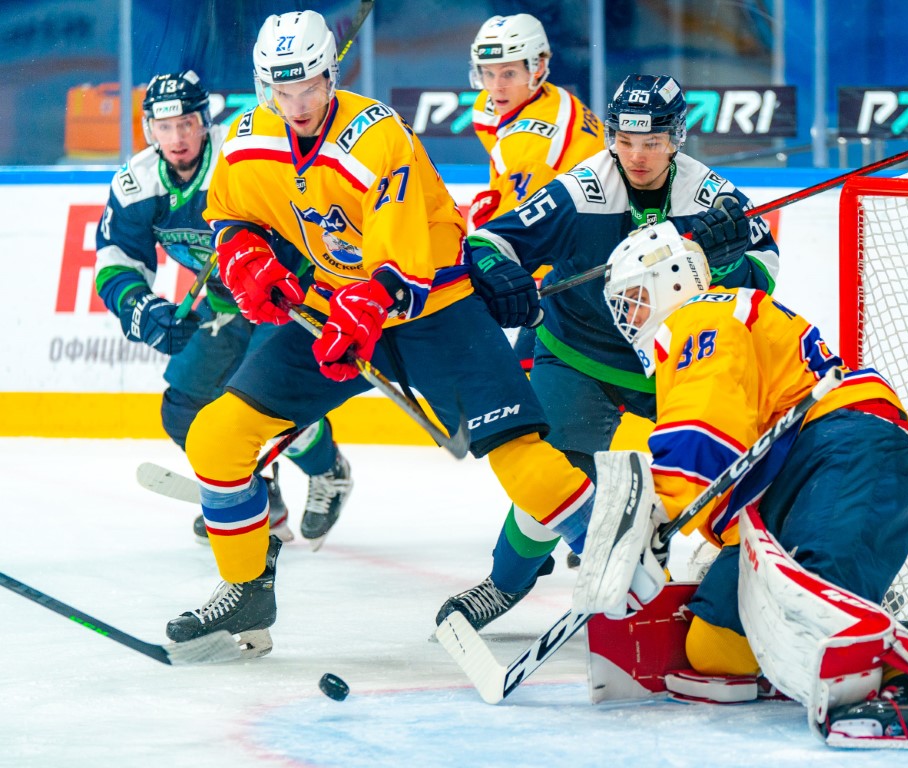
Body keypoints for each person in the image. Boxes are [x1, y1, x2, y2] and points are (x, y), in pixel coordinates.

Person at [163, 10, 595, 658]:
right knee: (216, 436)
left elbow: (400, 266)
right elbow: (230, 215)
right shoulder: (248, 138)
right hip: (333, 304)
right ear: (264, 88)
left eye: (311, 86)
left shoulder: (374, 134)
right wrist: (246, 254)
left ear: (332, 77)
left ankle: (635, 576)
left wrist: (363, 313)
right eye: (285, 90)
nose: (300, 104)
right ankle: (246, 588)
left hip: (434, 303)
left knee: (522, 459)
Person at [585, 221, 908, 746]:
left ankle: (901, 678)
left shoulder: (701, 316)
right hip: (783, 482)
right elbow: (730, 451)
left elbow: (703, 428)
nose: (629, 318)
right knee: (715, 644)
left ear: (671, 278)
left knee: (813, 600)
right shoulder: (690, 336)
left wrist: (660, 513)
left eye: (634, 299)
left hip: (847, 449)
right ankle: (849, 621)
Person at [435, 73, 780, 630]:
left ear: (677, 138)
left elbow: (763, 275)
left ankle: (792, 576)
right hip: (579, 356)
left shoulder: (713, 196)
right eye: (624, 140)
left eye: (651, 142)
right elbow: (488, 241)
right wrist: (501, 273)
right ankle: (504, 583)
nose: (637, 156)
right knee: (557, 476)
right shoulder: (581, 191)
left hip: (678, 361)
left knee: (745, 467)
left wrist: (731, 260)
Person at [94, 70, 350, 550]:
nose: (176, 138)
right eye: (164, 127)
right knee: (183, 408)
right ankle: (258, 494)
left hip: (286, 298)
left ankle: (328, 470)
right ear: (149, 129)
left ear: (204, 122)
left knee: (268, 399)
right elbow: (116, 258)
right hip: (223, 303)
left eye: (186, 124)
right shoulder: (138, 183)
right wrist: (143, 310)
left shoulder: (238, 160)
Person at [467, 13, 604, 372]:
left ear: (539, 65)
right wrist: (500, 194)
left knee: (530, 368)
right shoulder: (503, 103)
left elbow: (526, 237)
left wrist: (492, 227)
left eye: (508, 73)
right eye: (488, 71)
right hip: (573, 236)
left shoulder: (534, 144)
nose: (496, 87)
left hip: (585, 262)